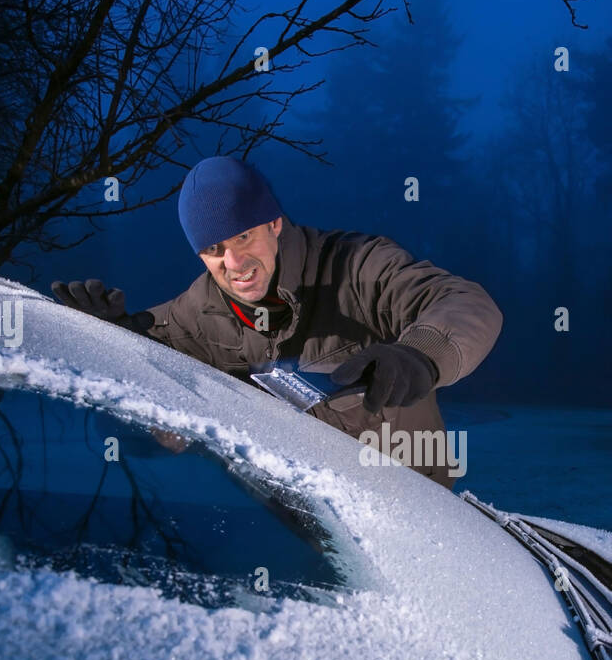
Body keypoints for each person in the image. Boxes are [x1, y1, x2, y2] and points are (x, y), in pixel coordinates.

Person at [52, 156, 502, 487]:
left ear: (275, 223)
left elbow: (463, 301)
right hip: (304, 527)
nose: (233, 262)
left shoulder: (356, 267)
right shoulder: (189, 320)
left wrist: (419, 355)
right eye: (213, 250)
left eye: (243, 236)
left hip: (416, 503)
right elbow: (141, 438)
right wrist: (110, 355)